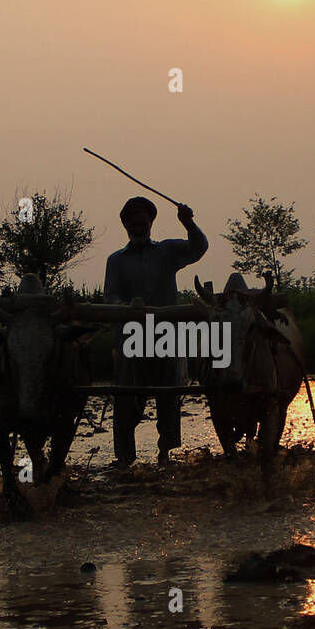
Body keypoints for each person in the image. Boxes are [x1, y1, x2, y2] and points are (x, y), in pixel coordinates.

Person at [103, 196, 208, 466]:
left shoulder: (167, 251)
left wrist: (189, 223)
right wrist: (124, 307)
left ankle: (167, 453)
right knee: (126, 397)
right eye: (133, 222)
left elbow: (199, 248)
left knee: (169, 395)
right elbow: (110, 297)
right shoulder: (116, 261)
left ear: (151, 223)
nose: (139, 226)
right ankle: (125, 457)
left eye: (143, 221)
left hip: (166, 336)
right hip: (132, 339)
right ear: (126, 226)